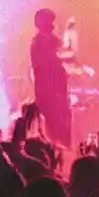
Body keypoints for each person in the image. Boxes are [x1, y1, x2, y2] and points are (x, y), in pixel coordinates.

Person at [30, 9, 73, 147]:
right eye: (47, 20)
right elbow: (40, 66)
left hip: (59, 90)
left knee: (63, 122)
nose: (51, 24)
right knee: (50, 126)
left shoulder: (55, 42)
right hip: (46, 92)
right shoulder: (37, 44)